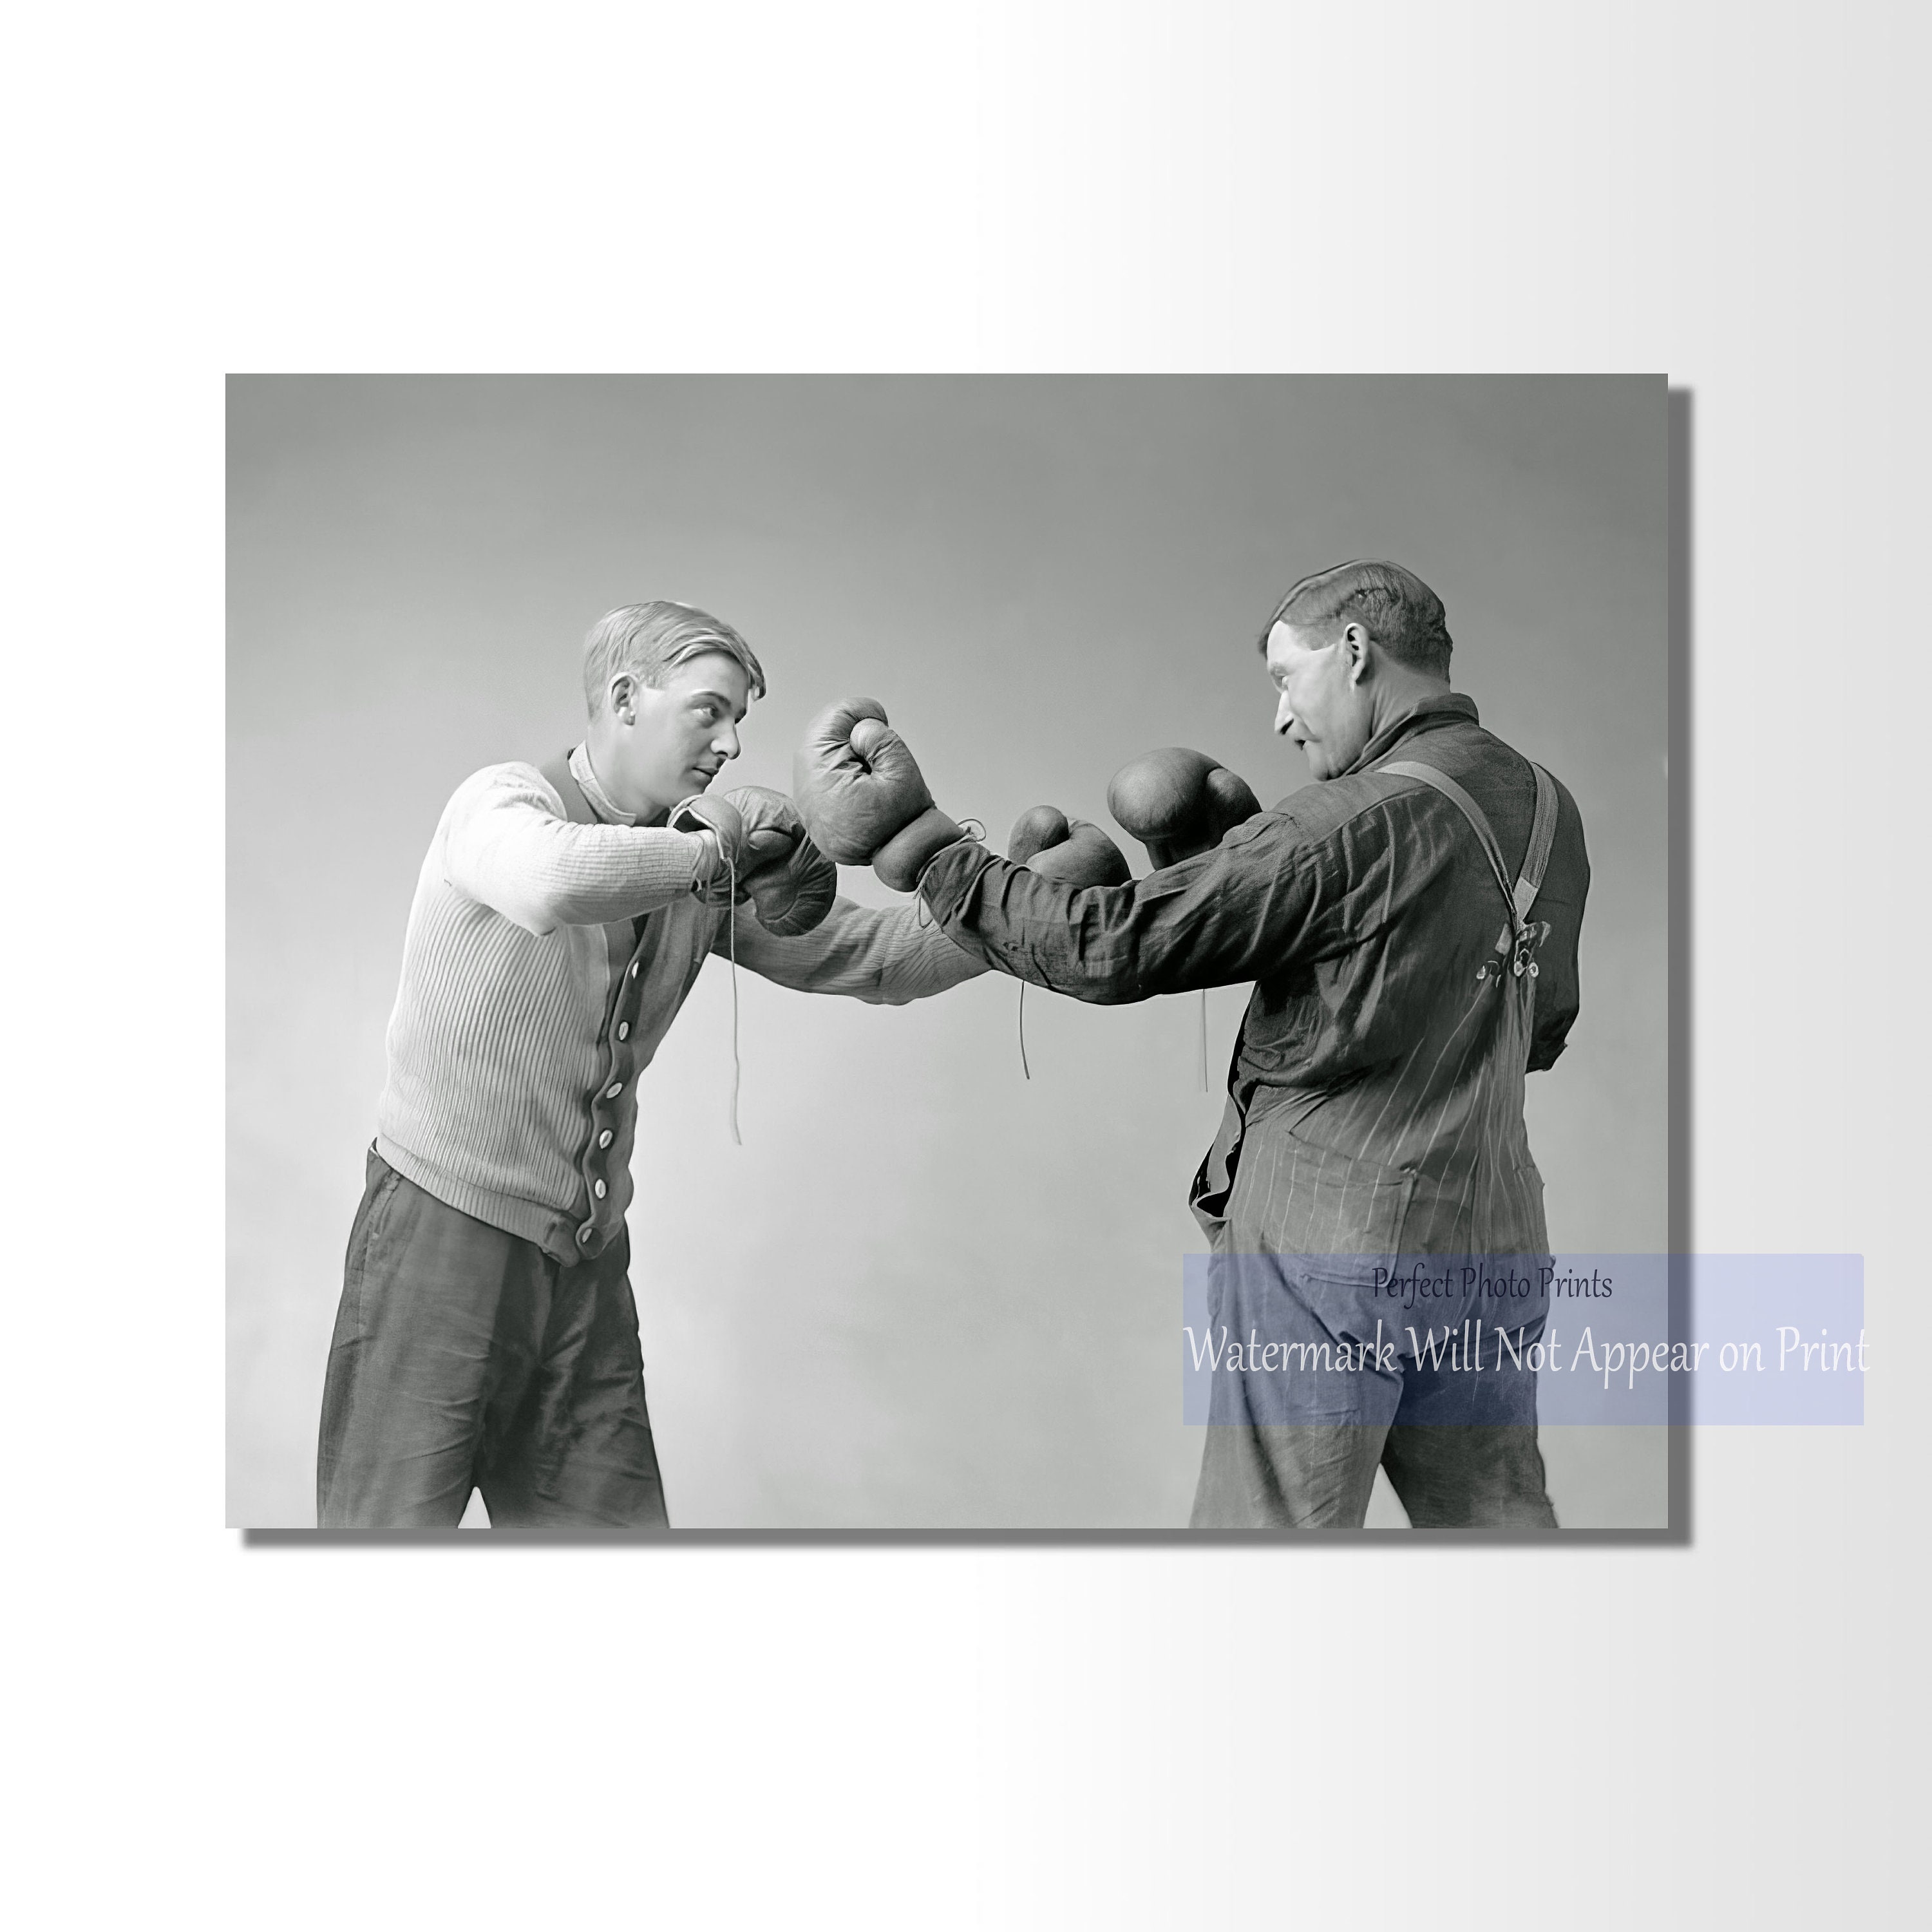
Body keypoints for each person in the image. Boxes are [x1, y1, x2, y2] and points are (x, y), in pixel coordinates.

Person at [795, 560, 1589, 1529]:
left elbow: (1107, 947)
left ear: (1354, 652)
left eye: (1285, 680)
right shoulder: (1550, 808)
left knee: (1267, 1548)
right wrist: (1291, 922)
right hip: (1492, 1247)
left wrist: (924, 846)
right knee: (1499, 1529)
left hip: (1330, 1251)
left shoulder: (1345, 819)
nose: (1281, 719)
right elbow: (1536, 1031)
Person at [316, 601, 985, 1529]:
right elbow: (549, 881)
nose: (732, 745)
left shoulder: (692, 864)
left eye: (740, 721)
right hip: (441, 1241)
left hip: (586, 1271)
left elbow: (871, 957)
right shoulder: (502, 805)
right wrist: (711, 854)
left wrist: (1018, 904)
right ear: (625, 699)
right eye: (710, 711)